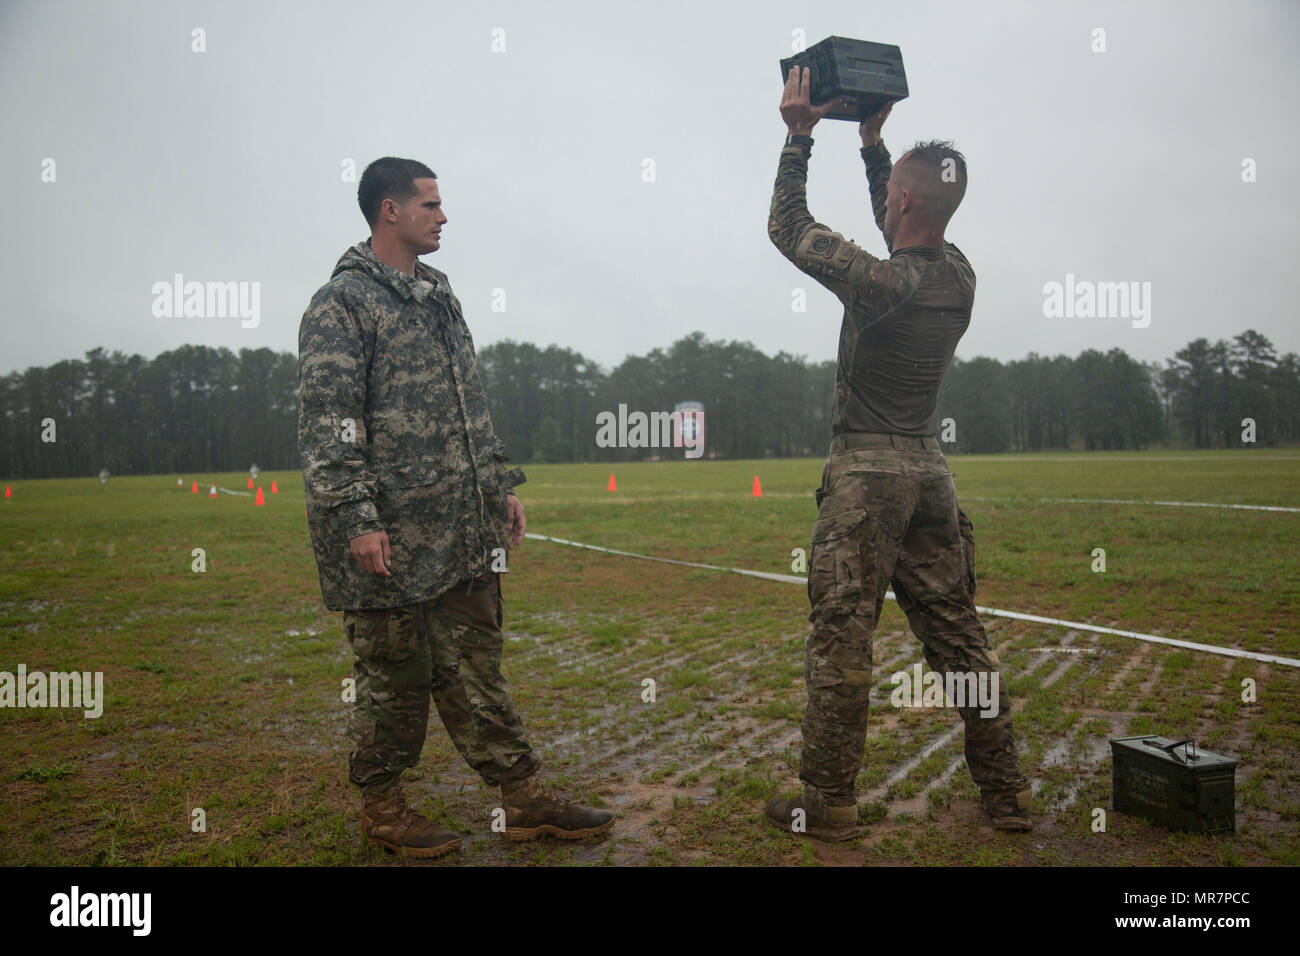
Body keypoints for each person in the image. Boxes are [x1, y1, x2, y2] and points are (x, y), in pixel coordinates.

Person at [297, 156, 613, 858]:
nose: (443, 217)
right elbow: (330, 425)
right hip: (390, 540)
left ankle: (525, 797)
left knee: (478, 667)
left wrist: (497, 486)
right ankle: (382, 808)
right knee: (394, 680)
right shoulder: (341, 303)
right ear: (390, 211)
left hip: (462, 530)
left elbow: (471, 406)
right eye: (431, 205)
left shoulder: (440, 296)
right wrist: (358, 519)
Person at [763, 69, 1031, 840]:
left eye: (892, 194)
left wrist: (799, 133)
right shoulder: (958, 277)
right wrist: (876, 146)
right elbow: (902, 233)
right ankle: (1007, 793)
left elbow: (788, 226)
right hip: (931, 478)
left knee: (842, 640)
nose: (887, 203)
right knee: (959, 638)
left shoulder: (878, 282)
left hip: (867, 481)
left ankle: (829, 801)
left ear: (906, 202)